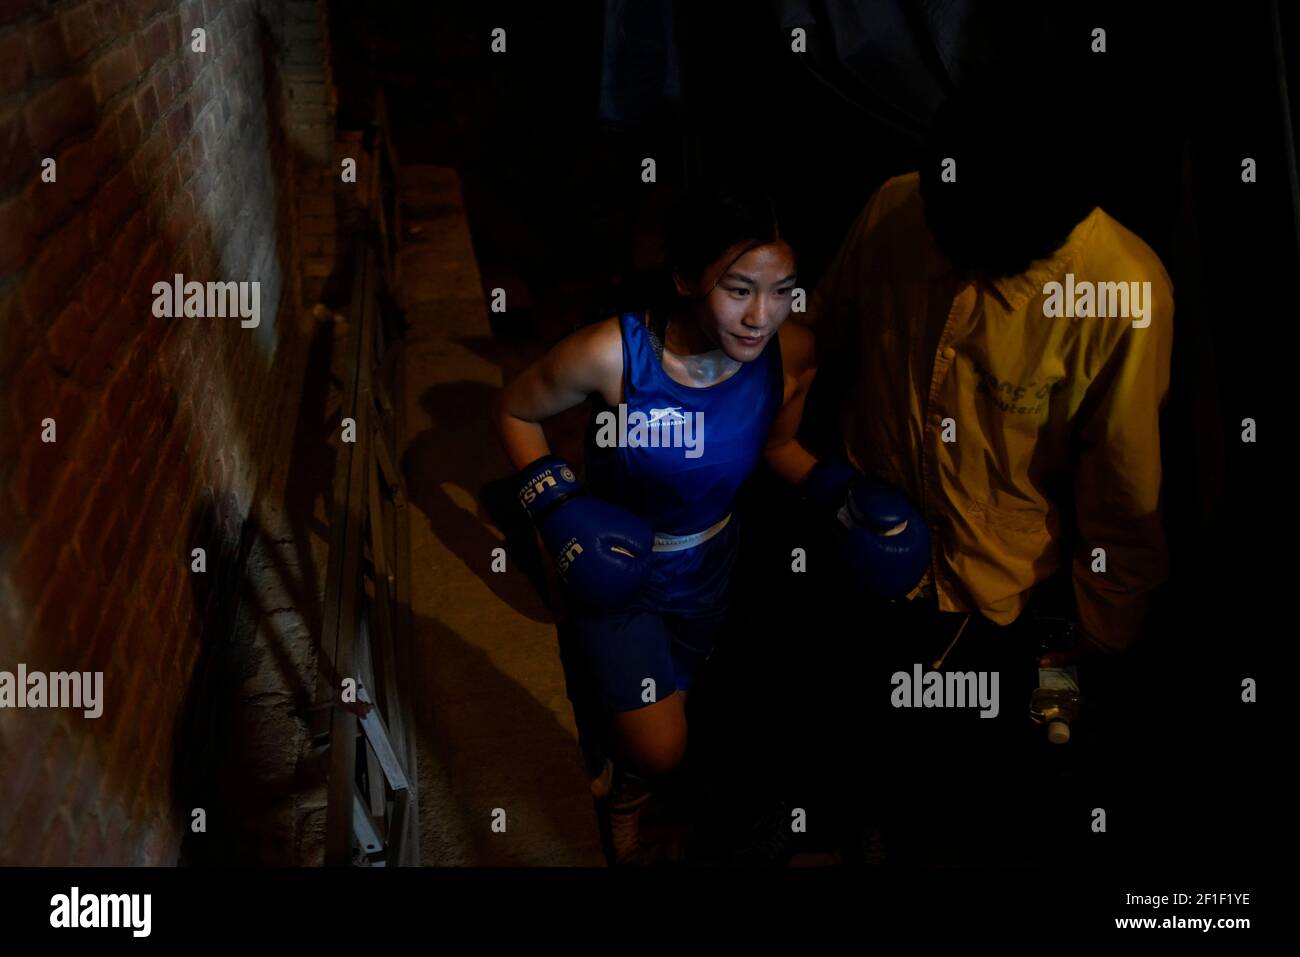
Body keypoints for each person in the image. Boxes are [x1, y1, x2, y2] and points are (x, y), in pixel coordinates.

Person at [790, 71, 1175, 865]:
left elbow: (1123, 492)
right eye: (940, 223)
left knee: (983, 798)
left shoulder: (1123, 292)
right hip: (864, 547)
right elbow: (814, 336)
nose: (945, 251)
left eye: (976, 253)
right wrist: (804, 470)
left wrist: (1091, 650)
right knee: (868, 754)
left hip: (1010, 599)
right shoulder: (899, 207)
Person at [493, 182, 930, 865]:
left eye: (782, 289)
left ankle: (621, 767)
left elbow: (779, 448)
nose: (763, 316)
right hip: (617, 569)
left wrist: (844, 496)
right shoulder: (614, 354)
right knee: (663, 746)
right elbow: (516, 411)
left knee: (687, 718)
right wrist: (555, 505)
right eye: (738, 290)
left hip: (712, 565)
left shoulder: (791, 354)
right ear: (686, 279)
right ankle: (629, 781)